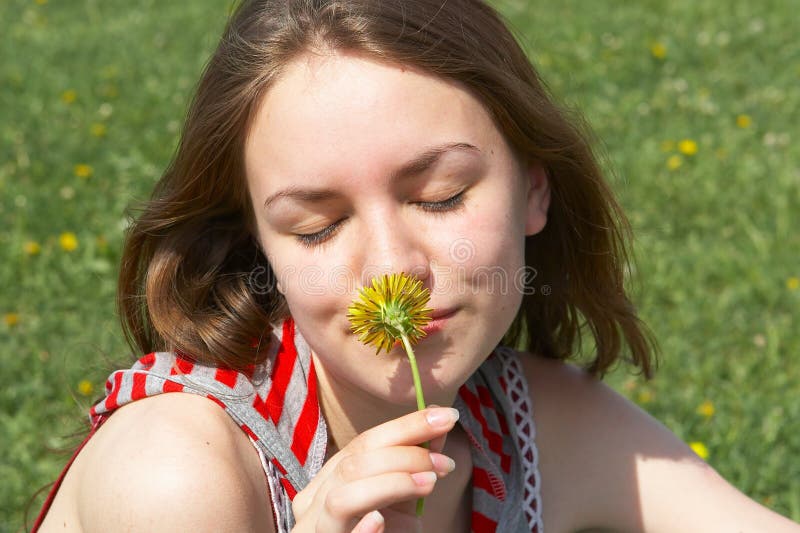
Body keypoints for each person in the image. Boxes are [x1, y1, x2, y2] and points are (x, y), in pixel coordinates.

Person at [31, 1, 800, 532]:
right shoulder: (178, 473)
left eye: (440, 196)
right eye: (319, 226)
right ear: (256, 243)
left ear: (534, 187)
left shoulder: (531, 423)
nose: (392, 269)